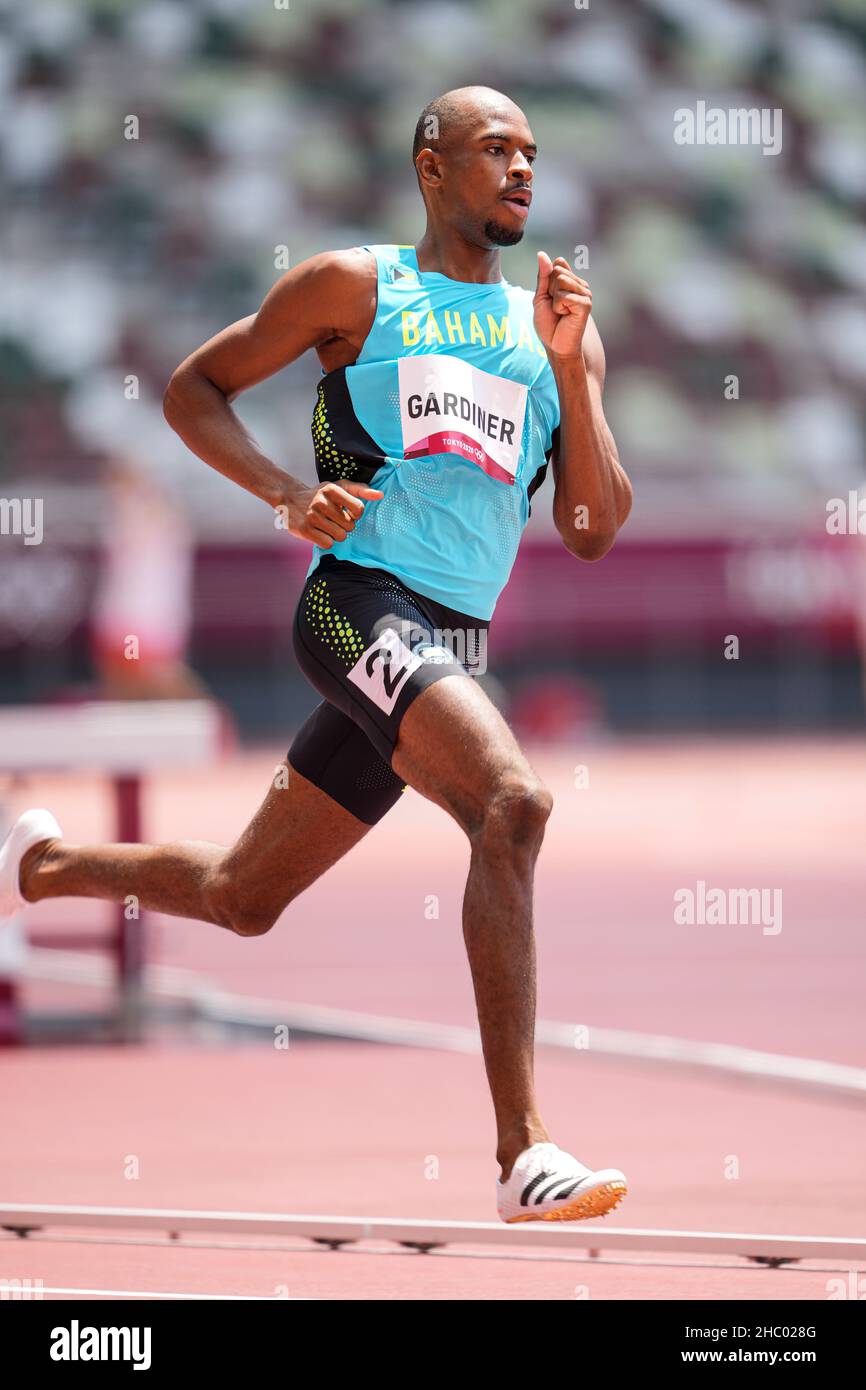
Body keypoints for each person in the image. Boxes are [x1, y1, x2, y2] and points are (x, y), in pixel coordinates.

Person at [0, 87, 632, 1223]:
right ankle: (522, 1150)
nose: (522, 170)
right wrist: (288, 495)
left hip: (447, 648)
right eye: (495, 150)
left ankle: (36, 870)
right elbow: (195, 390)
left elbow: (590, 531)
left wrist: (575, 374)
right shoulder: (355, 287)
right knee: (512, 802)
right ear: (431, 168)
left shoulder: (557, 334)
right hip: (354, 607)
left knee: (244, 896)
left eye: (533, 153)